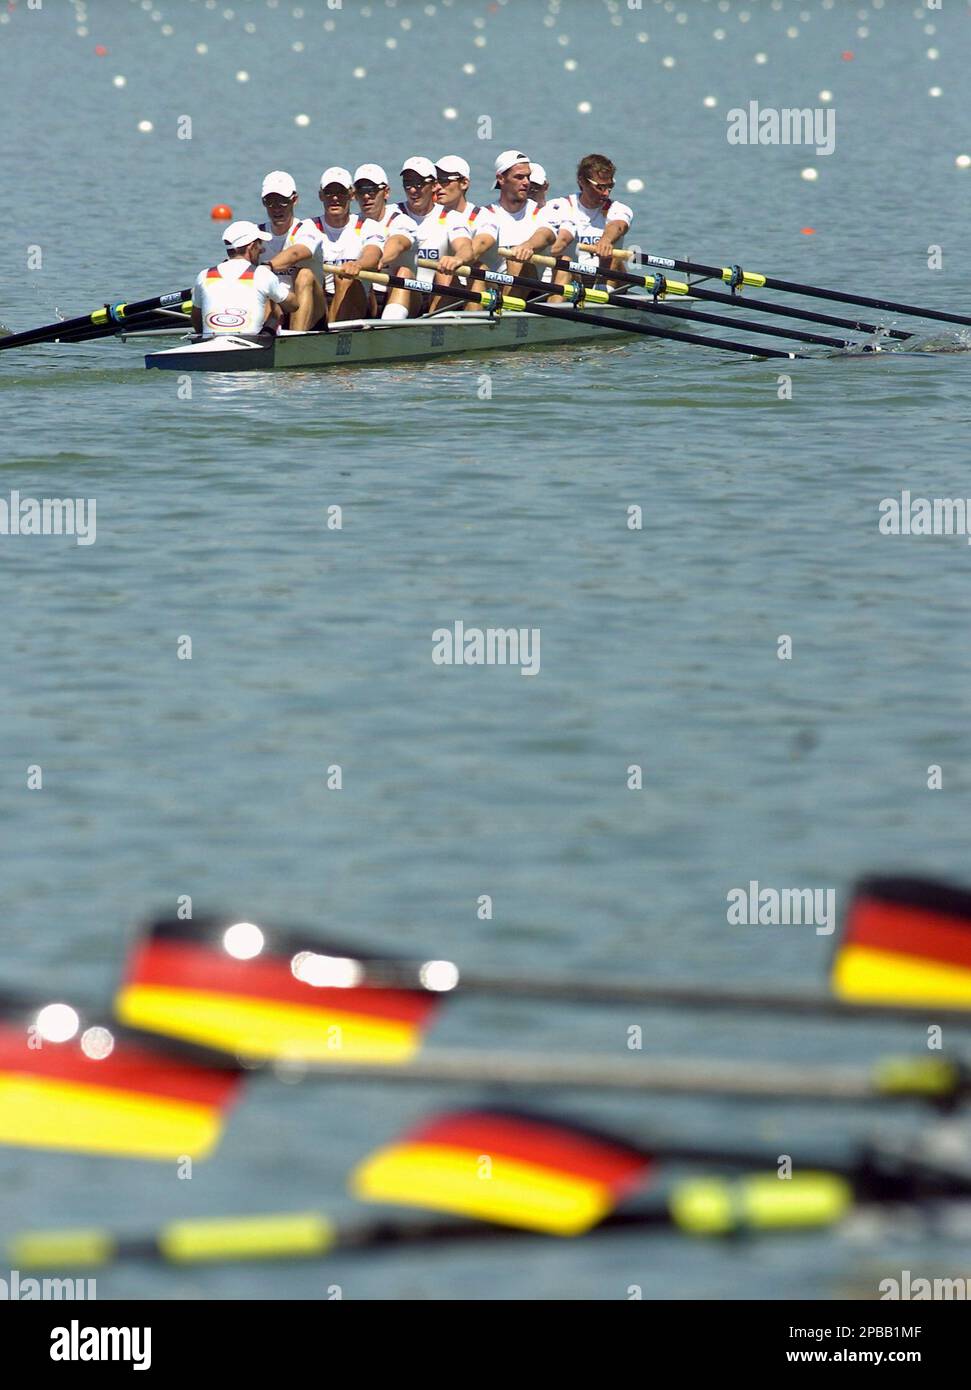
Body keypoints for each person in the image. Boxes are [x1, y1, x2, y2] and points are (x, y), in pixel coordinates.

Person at [508, 153, 633, 302]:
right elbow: (546, 233)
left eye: (610, 186)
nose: (606, 193)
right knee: (564, 262)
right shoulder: (560, 206)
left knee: (613, 255)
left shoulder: (619, 209)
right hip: (570, 277)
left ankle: (601, 299)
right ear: (582, 182)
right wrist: (528, 246)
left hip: (603, 278)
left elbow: (618, 226)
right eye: (600, 187)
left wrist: (605, 241)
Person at [191, 221, 298, 338]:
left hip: (211, 345)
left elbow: (196, 318)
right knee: (275, 316)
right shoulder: (262, 274)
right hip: (251, 347)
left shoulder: (205, 275)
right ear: (251, 247)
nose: (262, 250)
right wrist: (278, 292)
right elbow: (293, 306)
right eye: (259, 244)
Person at [311, 166, 385, 321]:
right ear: (320, 196)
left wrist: (358, 264)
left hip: (358, 300)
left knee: (344, 278)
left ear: (351, 195)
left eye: (341, 192)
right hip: (321, 301)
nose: (335, 198)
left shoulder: (368, 225)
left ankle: (330, 337)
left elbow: (373, 254)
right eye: (329, 193)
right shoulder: (309, 227)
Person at [256, 171, 326, 330]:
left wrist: (266, 267)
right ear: (263, 202)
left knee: (305, 275)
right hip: (275, 307)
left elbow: (296, 253)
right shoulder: (257, 234)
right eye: (270, 202)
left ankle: (296, 339)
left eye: (282, 202)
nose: (276, 208)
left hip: (313, 311)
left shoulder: (308, 229)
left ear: (294, 200)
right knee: (265, 286)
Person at [349, 163, 420, 318]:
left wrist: (378, 260)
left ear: (386, 192)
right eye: (361, 191)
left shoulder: (402, 221)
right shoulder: (351, 223)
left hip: (402, 293)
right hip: (369, 296)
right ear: (354, 195)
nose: (366, 196)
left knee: (404, 273)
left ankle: (389, 328)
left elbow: (398, 243)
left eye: (372, 190)